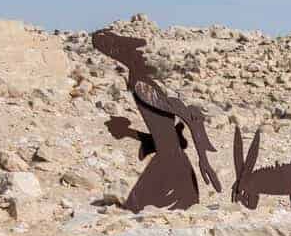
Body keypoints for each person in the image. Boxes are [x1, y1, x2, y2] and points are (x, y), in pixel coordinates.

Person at [92, 29, 220, 211]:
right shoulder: (140, 82)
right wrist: (130, 134)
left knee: (139, 208)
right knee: (164, 208)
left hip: (170, 160)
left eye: (112, 51)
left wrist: (203, 159)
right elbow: (163, 130)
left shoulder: (142, 86)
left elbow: (189, 117)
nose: (113, 56)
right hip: (170, 158)